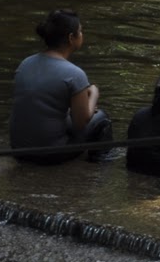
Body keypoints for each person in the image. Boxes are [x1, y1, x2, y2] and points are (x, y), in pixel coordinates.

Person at [9, 9, 113, 164]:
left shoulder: (26, 63)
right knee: (102, 118)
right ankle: (99, 166)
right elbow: (80, 123)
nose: (82, 34)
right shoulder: (74, 73)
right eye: (80, 31)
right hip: (51, 155)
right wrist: (94, 94)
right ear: (71, 38)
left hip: (18, 150)